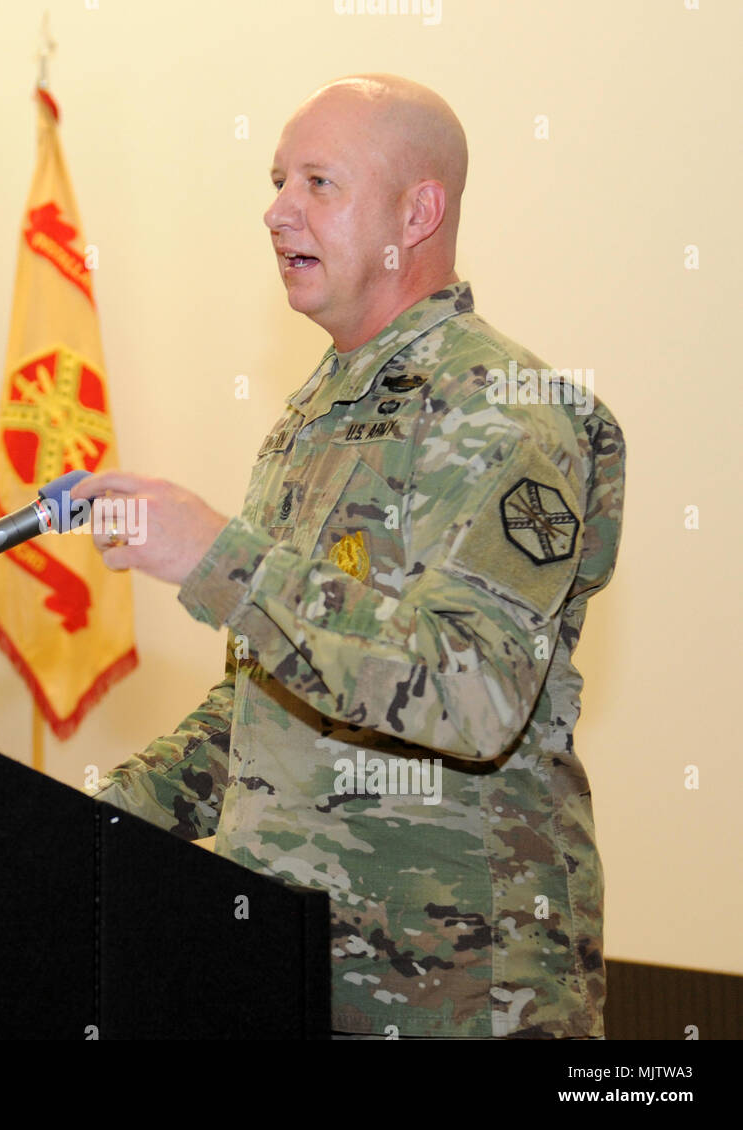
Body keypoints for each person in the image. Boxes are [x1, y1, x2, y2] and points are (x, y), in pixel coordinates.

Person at [72, 73, 625, 1039]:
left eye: (318, 183)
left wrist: (216, 555)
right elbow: (273, 710)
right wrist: (90, 817)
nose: (276, 209)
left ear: (417, 213)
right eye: (279, 180)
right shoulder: (315, 418)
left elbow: (475, 692)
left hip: (461, 997)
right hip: (293, 974)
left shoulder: (505, 408)